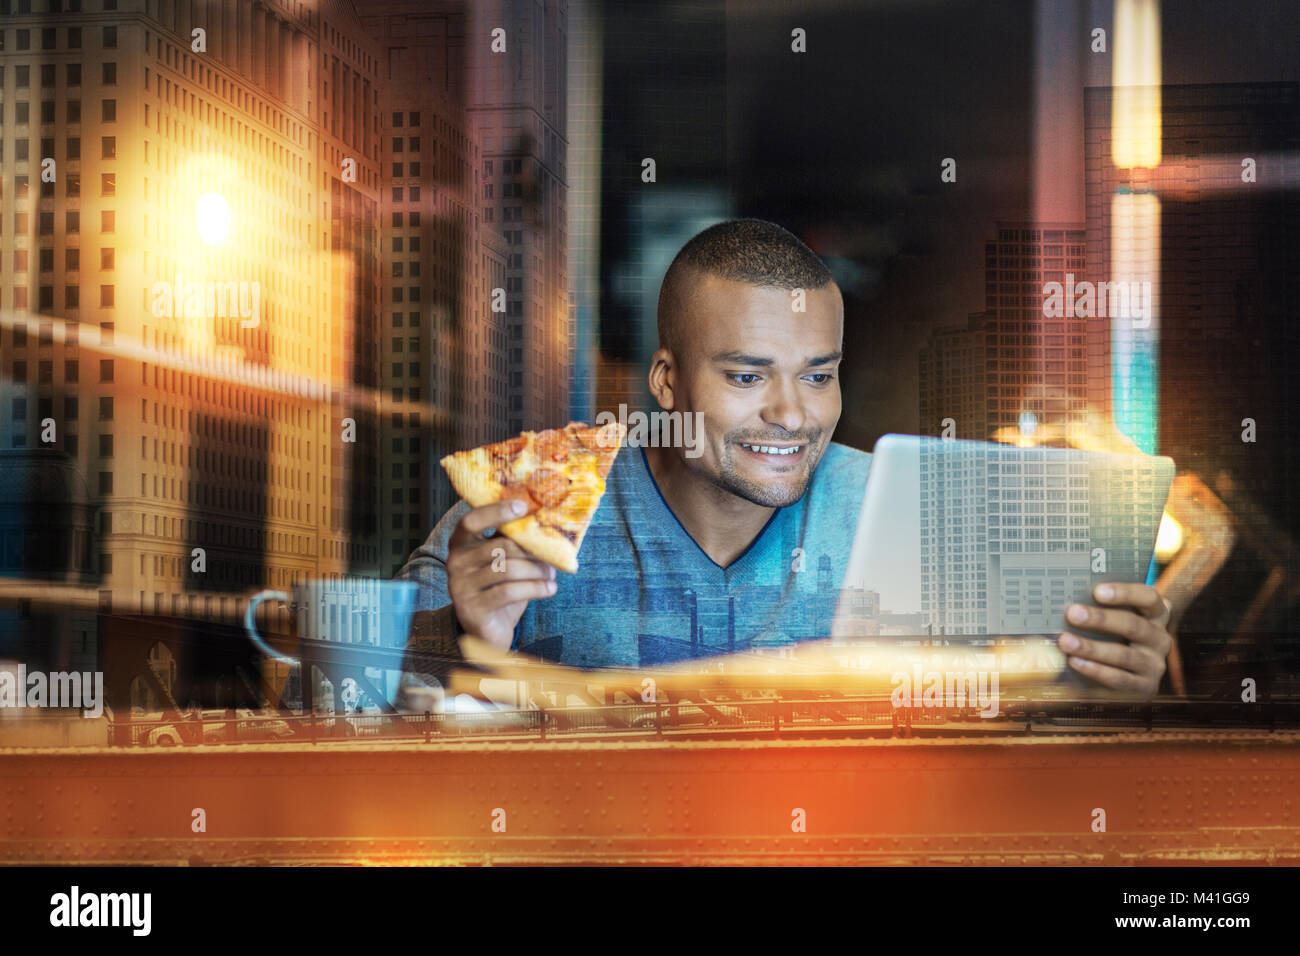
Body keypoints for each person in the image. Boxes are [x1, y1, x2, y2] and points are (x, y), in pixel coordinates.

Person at [397, 219, 1173, 696]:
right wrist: (461, 636)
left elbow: (1015, 753)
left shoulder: (915, 511)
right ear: (666, 380)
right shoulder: (522, 511)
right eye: (745, 375)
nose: (792, 414)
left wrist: (1108, 688)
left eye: (818, 374)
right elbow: (336, 719)